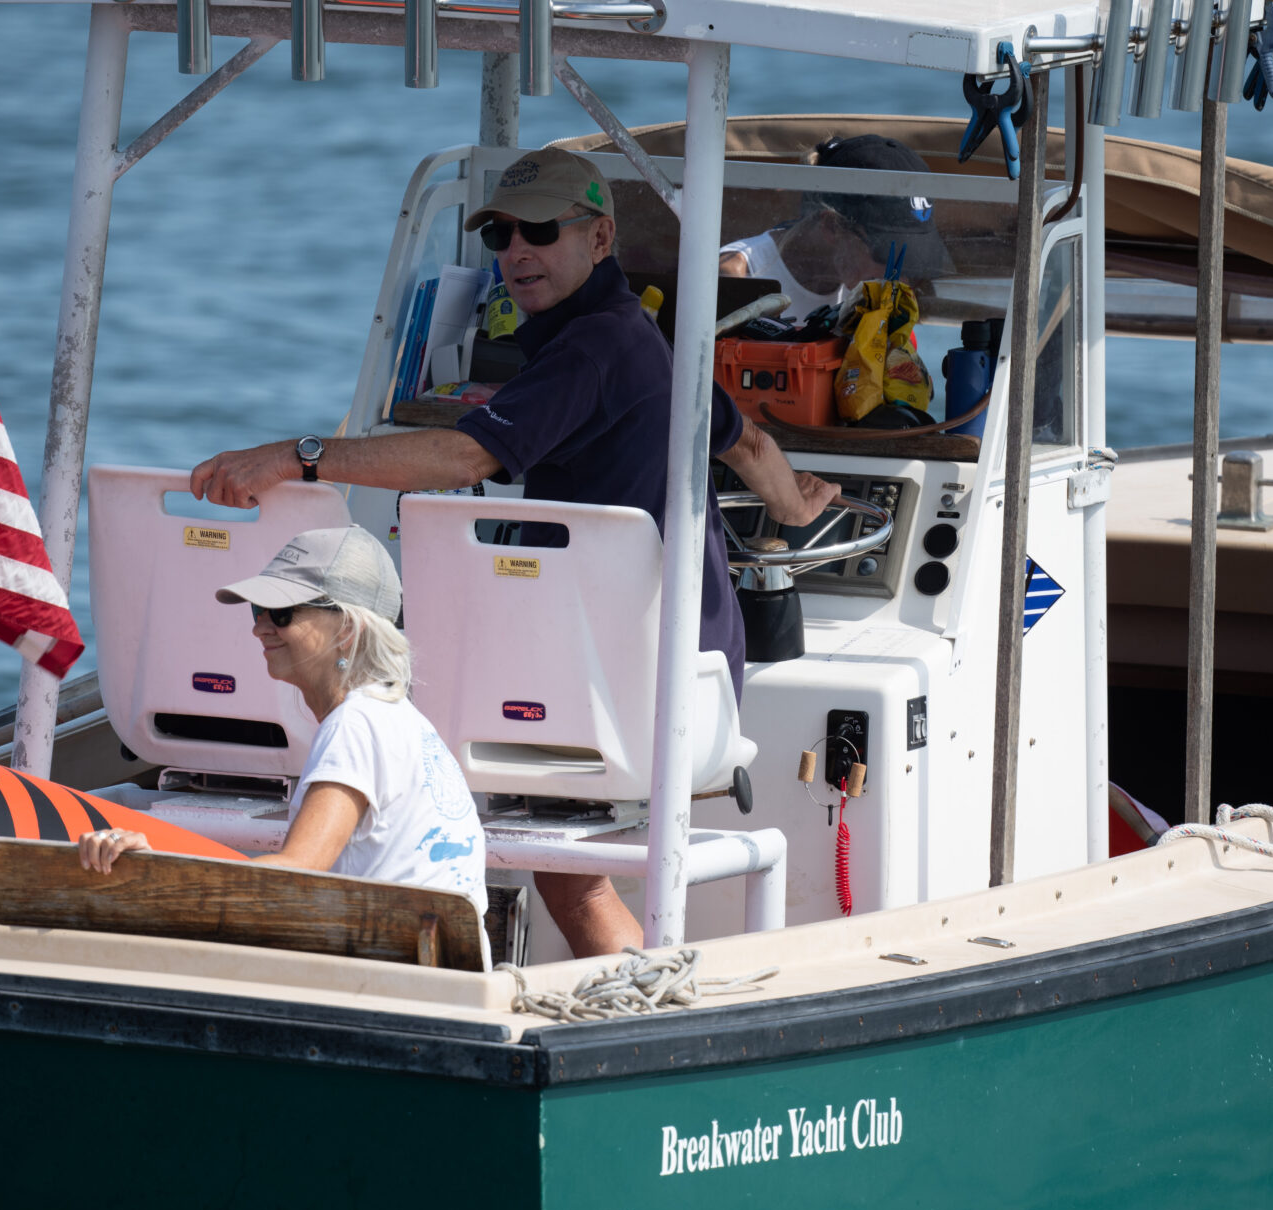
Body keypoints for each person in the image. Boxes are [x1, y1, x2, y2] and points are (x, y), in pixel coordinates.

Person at [187, 145, 838, 960]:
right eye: (499, 235)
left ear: (600, 238)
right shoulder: (639, 341)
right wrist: (795, 504)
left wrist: (296, 455)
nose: (515, 252)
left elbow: (466, 459)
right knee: (567, 874)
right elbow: (746, 446)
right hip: (669, 668)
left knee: (390, 687)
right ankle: (631, 999)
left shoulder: (592, 348)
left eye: (539, 231)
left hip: (626, 683)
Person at [77, 526, 486, 931]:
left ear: (347, 629)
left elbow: (295, 872)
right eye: (258, 612)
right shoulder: (399, 718)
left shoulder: (355, 724)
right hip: (428, 968)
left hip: (402, 981)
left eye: (281, 614)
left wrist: (157, 863)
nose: (259, 628)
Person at [718, 134, 951, 308]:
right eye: (887, 254)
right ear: (831, 227)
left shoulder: (876, 290)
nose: (902, 279)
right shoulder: (741, 276)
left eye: (912, 259)